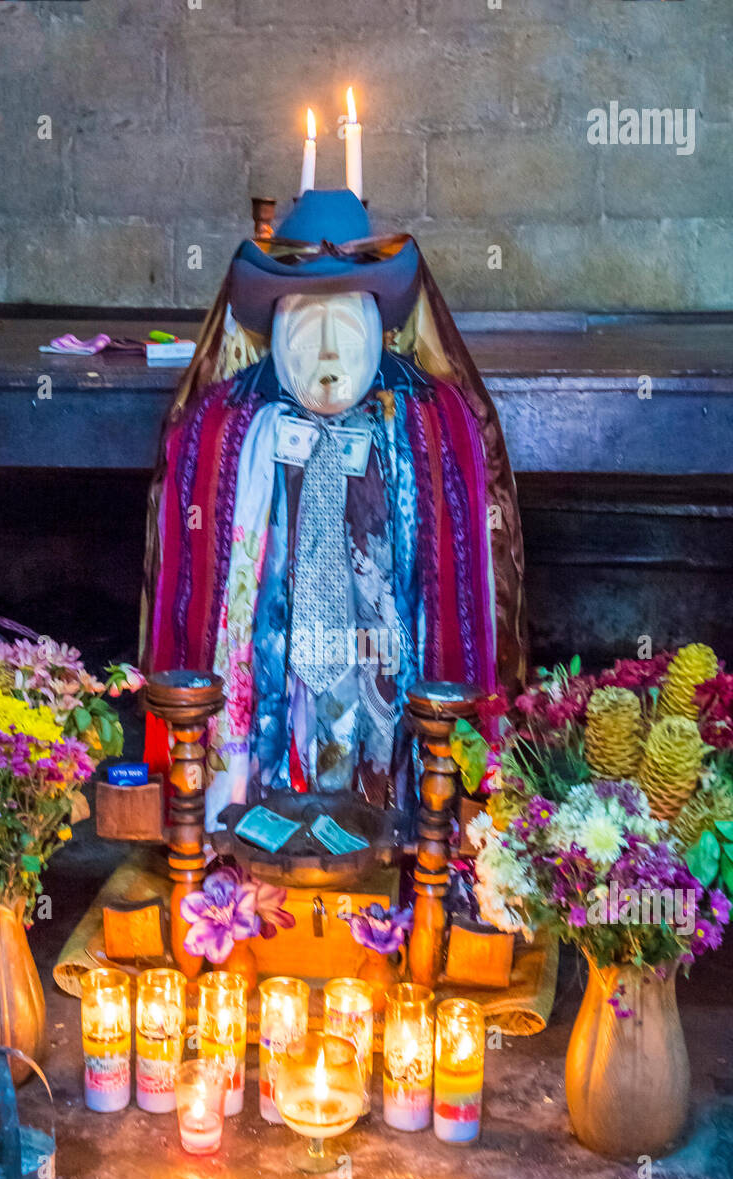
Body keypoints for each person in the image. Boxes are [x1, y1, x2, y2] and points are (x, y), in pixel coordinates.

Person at [141, 190, 525, 826]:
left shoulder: (432, 428)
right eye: (305, 332)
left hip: (388, 685)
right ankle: (248, 807)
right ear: (273, 333)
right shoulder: (224, 428)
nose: (326, 359)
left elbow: (464, 587)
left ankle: (404, 810)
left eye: (345, 333)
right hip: (268, 684)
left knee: (390, 736)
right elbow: (198, 584)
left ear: (381, 330)